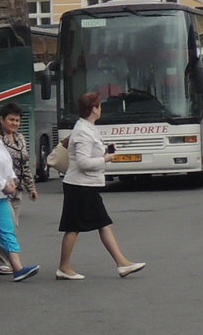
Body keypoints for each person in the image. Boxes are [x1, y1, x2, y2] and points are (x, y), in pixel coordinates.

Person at [57, 92, 146, 281]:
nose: (101, 109)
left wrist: (105, 150)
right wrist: (105, 158)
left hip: (86, 185)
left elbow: (88, 154)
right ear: (93, 109)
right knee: (74, 226)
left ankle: (122, 263)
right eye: (99, 106)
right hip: (79, 185)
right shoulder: (82, 131)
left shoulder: (88, 128)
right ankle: (64, 267)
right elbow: (83, 162)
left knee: (102, 223)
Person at [0, 108, 38, 282]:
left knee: (9, 229)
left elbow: (11, 162)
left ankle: (18, 268)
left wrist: (13, 180)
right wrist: (4, 185)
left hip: (4, 194)